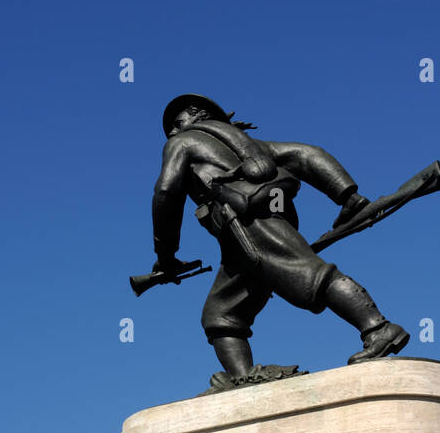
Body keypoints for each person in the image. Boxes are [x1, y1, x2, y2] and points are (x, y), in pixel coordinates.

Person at [150, 94, 410, 383]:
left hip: (246, 224)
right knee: (221, 314)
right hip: (247, 232)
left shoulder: (181, 143)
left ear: (197, 114)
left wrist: (165, 254)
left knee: (308, 275)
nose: (172, 132)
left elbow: (165, 192)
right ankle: (244, 377)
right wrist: (347, 195)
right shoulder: (251, 146)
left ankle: (378, 329)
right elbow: (307, 155)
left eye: (176, 123)